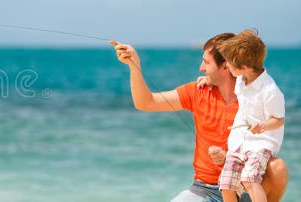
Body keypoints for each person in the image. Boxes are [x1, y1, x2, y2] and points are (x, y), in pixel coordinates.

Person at [109, 33, 287, 202]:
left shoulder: (254, 98)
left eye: (206, 62)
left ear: (226, 66)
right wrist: (134, 67)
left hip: (242, 187)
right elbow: (146, 102)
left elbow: (265, 142)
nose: (201, 68)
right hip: (204, 189)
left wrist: (227, 156)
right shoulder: (199, 91)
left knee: (277, 168)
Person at [216, 30, 285, 202]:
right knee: (226, 184)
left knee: (249, 179)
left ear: (244, 68)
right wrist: (209, 81)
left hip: (261, 143)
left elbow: (279, 119)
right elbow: (228, 84)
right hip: (239, 142)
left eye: (229, 64)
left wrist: (262, 126)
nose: (227, 66)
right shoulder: (242, 79)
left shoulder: (270, 91)